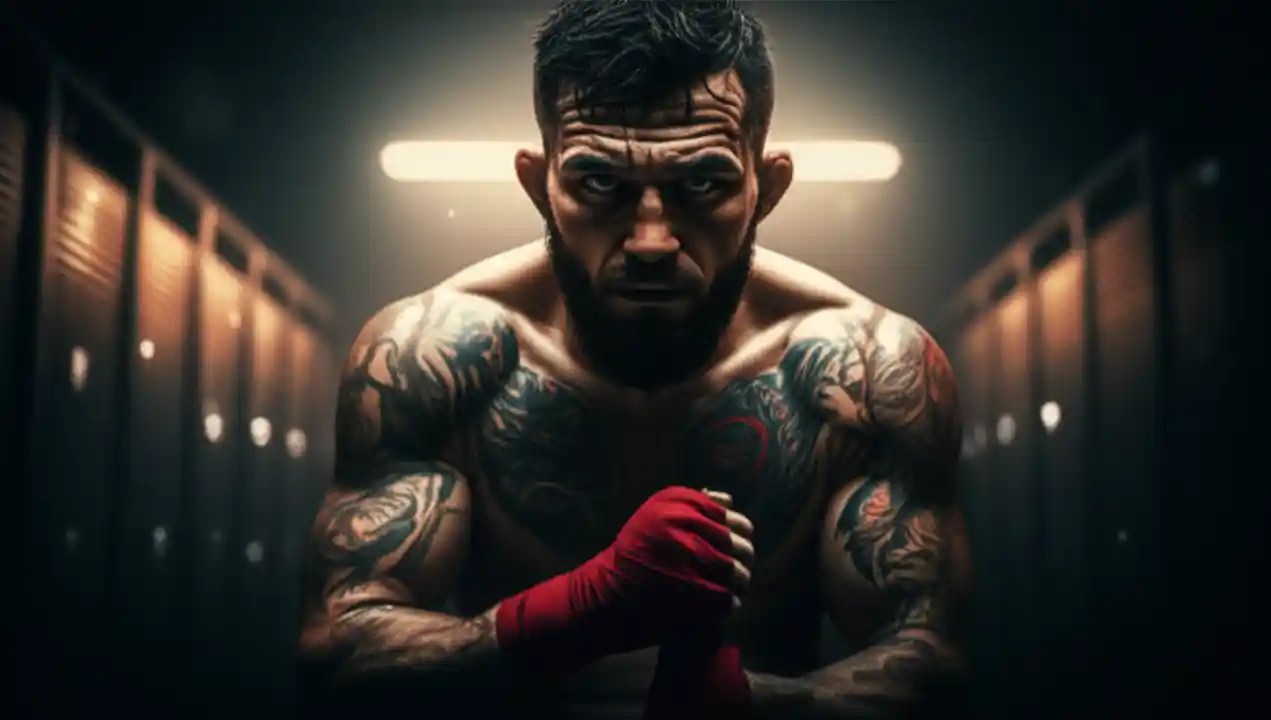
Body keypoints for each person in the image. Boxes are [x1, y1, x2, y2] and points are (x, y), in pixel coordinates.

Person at [296, 1, 972, 717]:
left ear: (764, 189)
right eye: (601, 186)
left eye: (702, 186)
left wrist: (741, 705)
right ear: (539, 185)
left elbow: (932, 663)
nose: (651, 238)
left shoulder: (870, 373)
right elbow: (336, 655)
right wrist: (579, 608)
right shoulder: (427, 360)